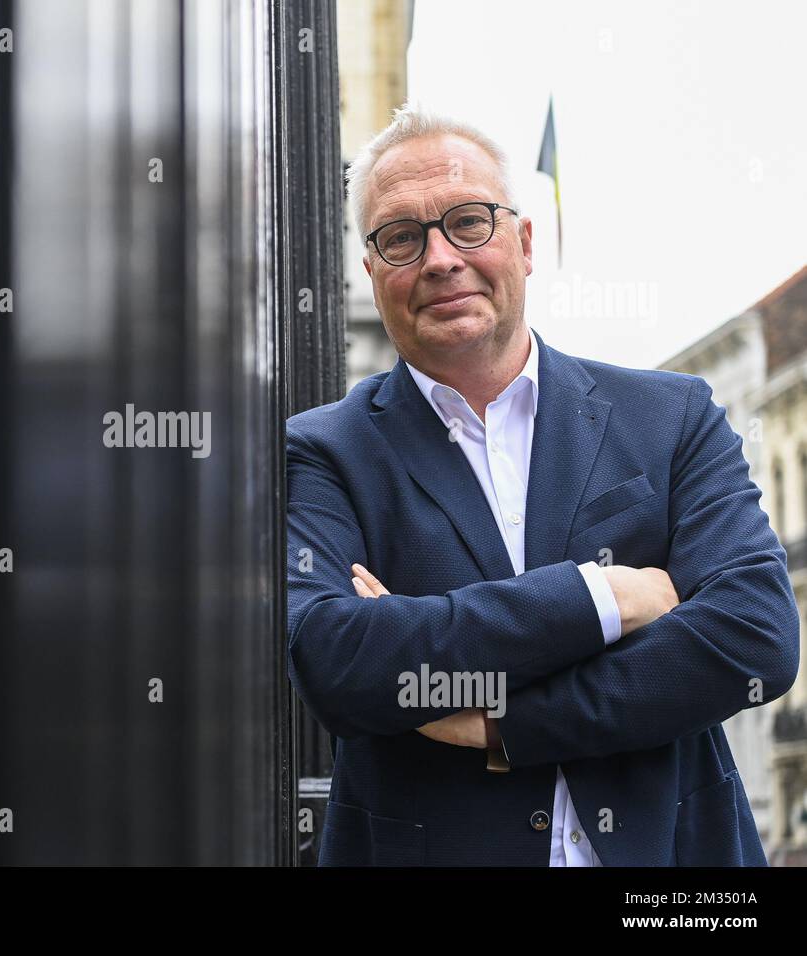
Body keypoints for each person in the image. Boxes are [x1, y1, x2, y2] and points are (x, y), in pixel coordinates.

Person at [286, 104, 800, 866]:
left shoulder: (670, 417)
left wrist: (502, 723)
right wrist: (609, 599)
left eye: (468, 221)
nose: (439, 258)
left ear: (524, 244)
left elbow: (755, 639)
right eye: (402, 236)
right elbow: (340, 662)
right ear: (371, 271)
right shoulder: (323, 452)